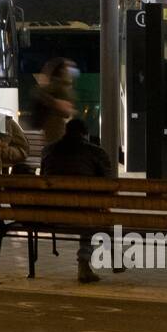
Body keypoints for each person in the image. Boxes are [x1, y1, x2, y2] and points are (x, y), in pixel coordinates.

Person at [41, 118, 116, 283]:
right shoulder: (96, 152)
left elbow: (43, 180)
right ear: (85, 134)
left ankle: (113, 257)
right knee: (95, 214)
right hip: (85, 212)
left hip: (52, 214)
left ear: (65, 132)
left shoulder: (48, 151)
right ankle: (89, 261)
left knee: (91, 211)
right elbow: (110, 185)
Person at [31, 57, 77, 147]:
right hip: (56, 126)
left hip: (59, 127)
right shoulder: (57, 84)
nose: (71, 72)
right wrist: (56, 103)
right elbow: (39, 92)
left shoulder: (64, 85)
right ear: (62, 71)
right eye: (69, 69)